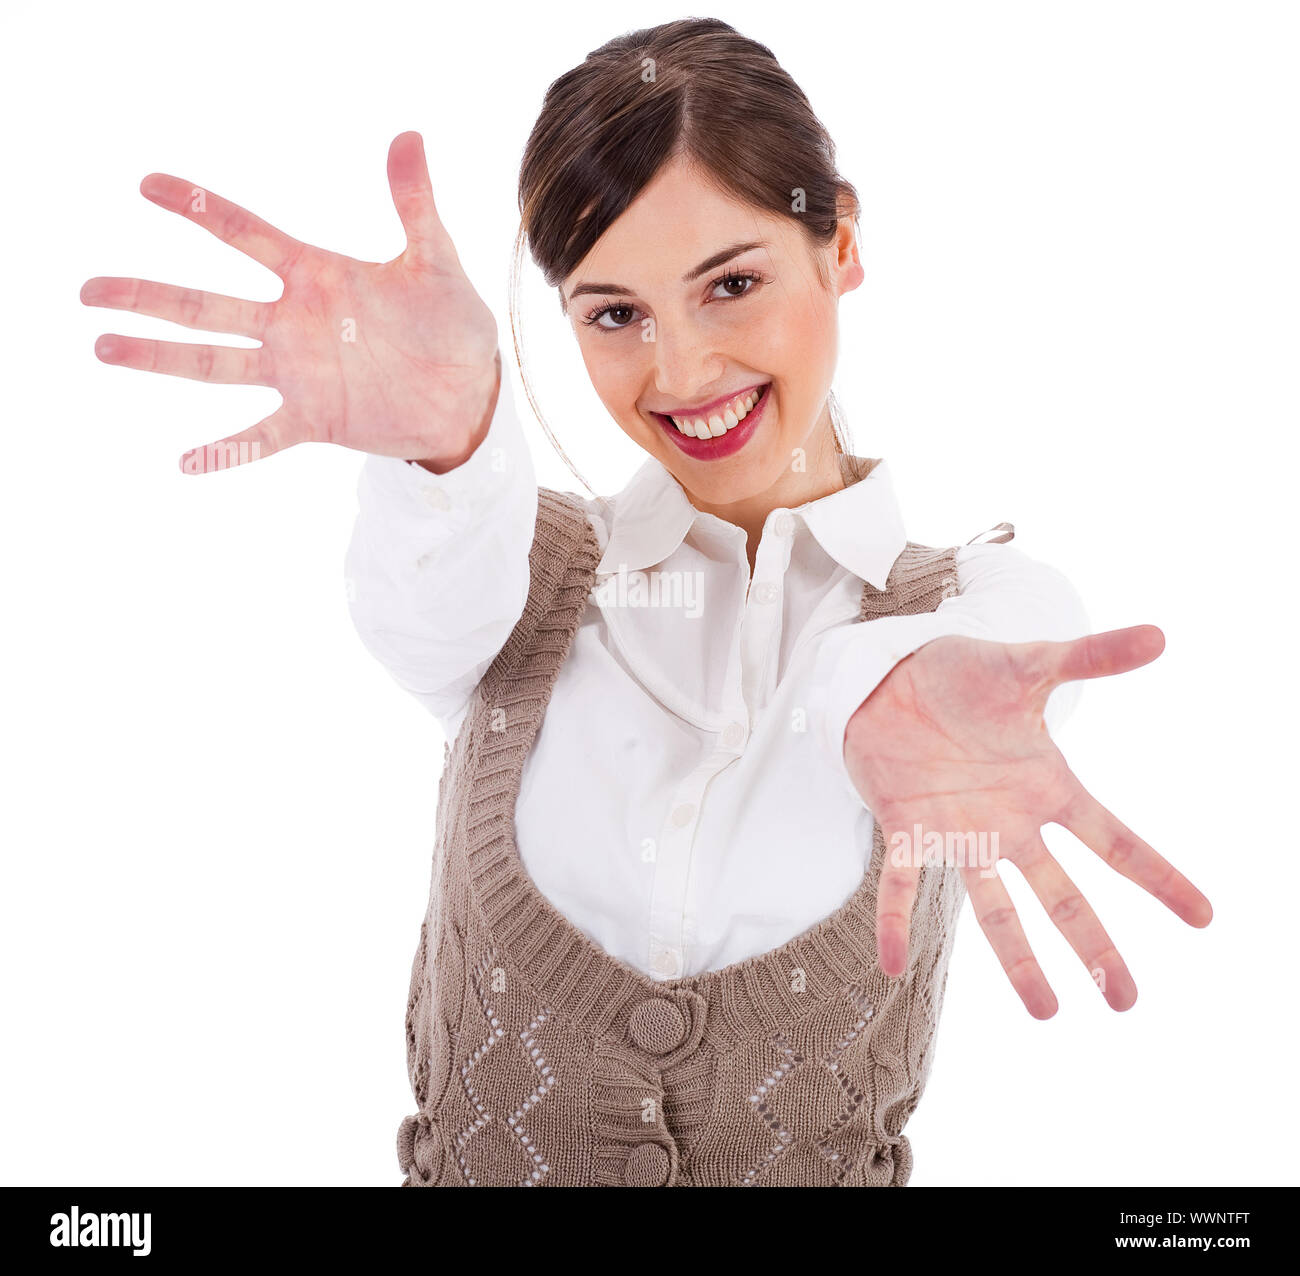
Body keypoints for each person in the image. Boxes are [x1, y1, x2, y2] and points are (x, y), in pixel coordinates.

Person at [81, 16, 1211, 1188]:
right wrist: (449, 449)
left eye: (731, 283)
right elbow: (419, 603)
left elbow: (985, 650)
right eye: (614, 312)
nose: (680, 375)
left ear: (842, 244)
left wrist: (883, 687)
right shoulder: (512, 572)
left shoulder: (981, 607)